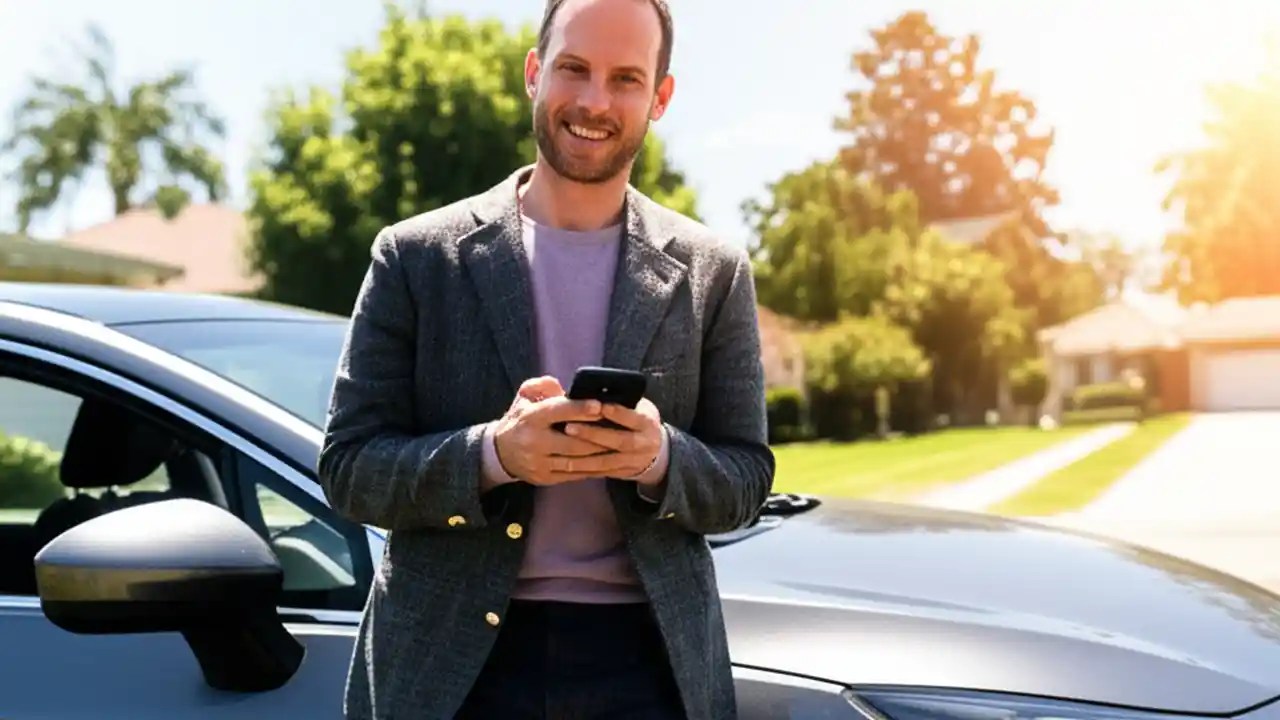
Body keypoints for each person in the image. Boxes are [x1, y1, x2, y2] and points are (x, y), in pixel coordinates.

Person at [317, 0, 775, 717]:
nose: (594, 101)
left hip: (649, 668)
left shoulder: (715, 269)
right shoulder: (414, 257)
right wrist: (494, 455)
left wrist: (657, 458)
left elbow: (747, 478)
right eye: (574, 68)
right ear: (535, 73)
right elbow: (349, 470)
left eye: (625, 78)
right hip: (452, 670)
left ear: (660, 96)